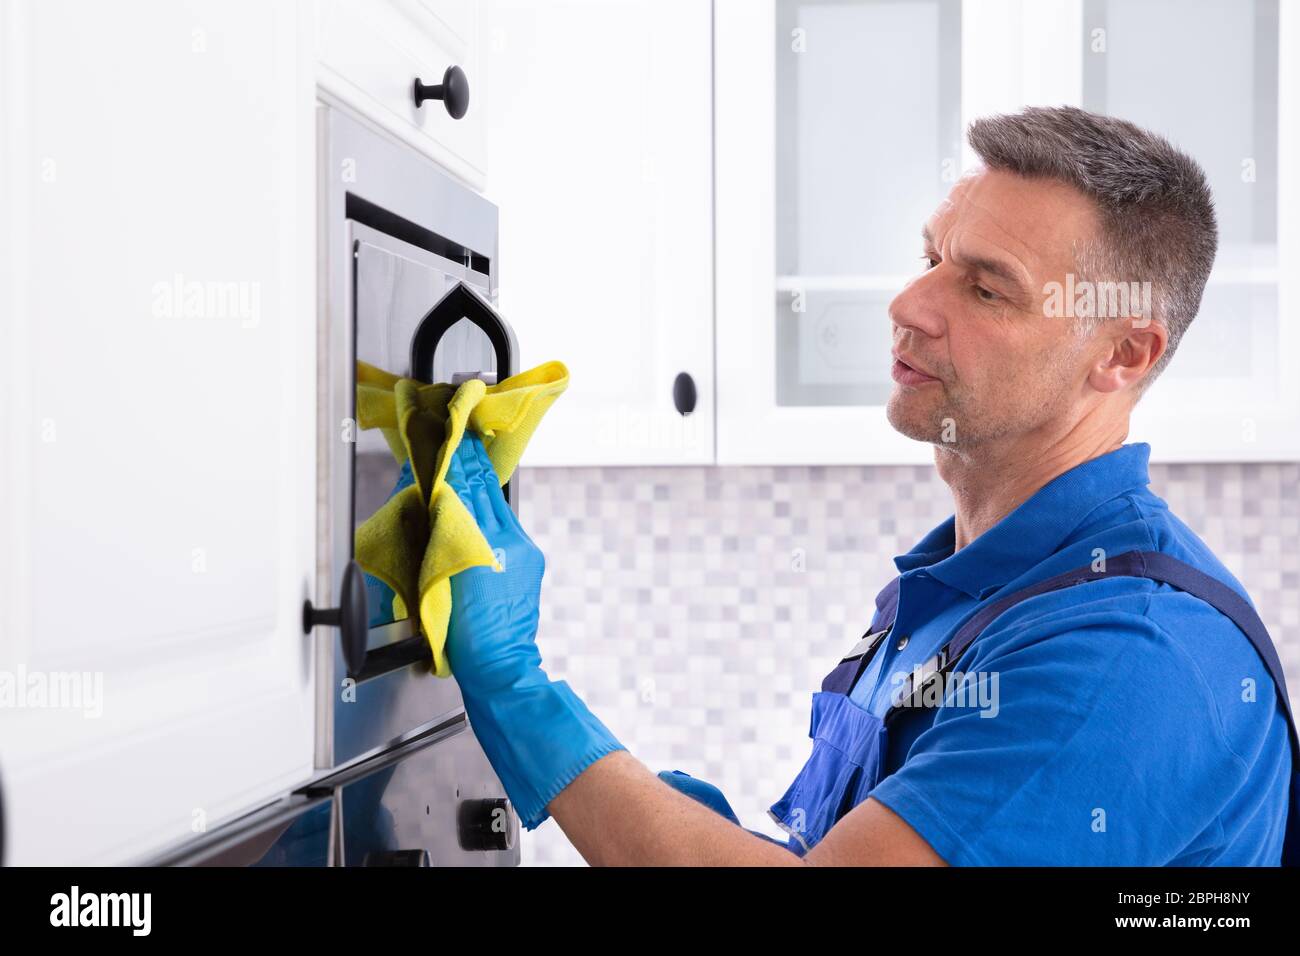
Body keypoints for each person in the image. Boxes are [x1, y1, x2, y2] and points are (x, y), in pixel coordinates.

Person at [443, 106, 1296, 866]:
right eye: (930, 257)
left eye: (986, 287)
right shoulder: (971, 588)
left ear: (1124, 354)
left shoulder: (1122, 654)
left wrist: (517, 691)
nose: (910, 303)